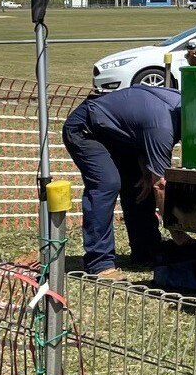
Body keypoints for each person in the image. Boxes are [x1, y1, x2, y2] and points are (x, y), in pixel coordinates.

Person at [62, 81, 182, 280]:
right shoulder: (163, 125)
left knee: (139, 185)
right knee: (107, 183)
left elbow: (141, 135)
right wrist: (178, 234)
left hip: (120, 134)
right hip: (86, 129)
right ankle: (99, 263)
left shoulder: (179, 105)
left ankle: (147, 250)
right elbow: (160, 185)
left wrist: (146, 173)